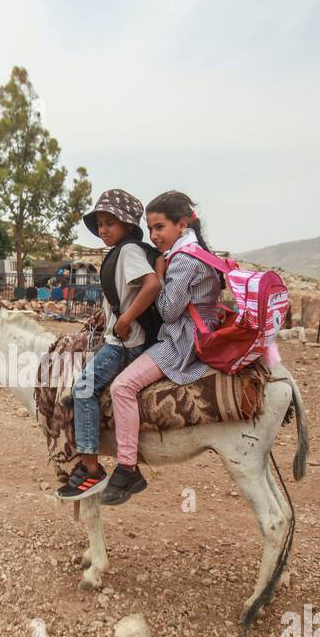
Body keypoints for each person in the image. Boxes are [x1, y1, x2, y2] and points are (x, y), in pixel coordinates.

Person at [102, 191, 224, 506]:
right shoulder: (197, 253)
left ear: (182, 224)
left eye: (160, 227)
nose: (154, 235)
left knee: (122, 387)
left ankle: (127, 466)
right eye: (151, 228)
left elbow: (169, 310)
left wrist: (157, 274)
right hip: (191, 332)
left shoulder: (183, 259)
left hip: (181, 341)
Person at [57, 190, 161, 500]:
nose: (103, 230)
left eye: (110, 223)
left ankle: (91, 468)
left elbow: (152, 285)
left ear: (128, 225)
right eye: (100, 224)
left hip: (124, 344)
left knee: (83, 389)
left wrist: (126, 319)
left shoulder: (128, 252)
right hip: (117, 337)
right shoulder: (121, 251)